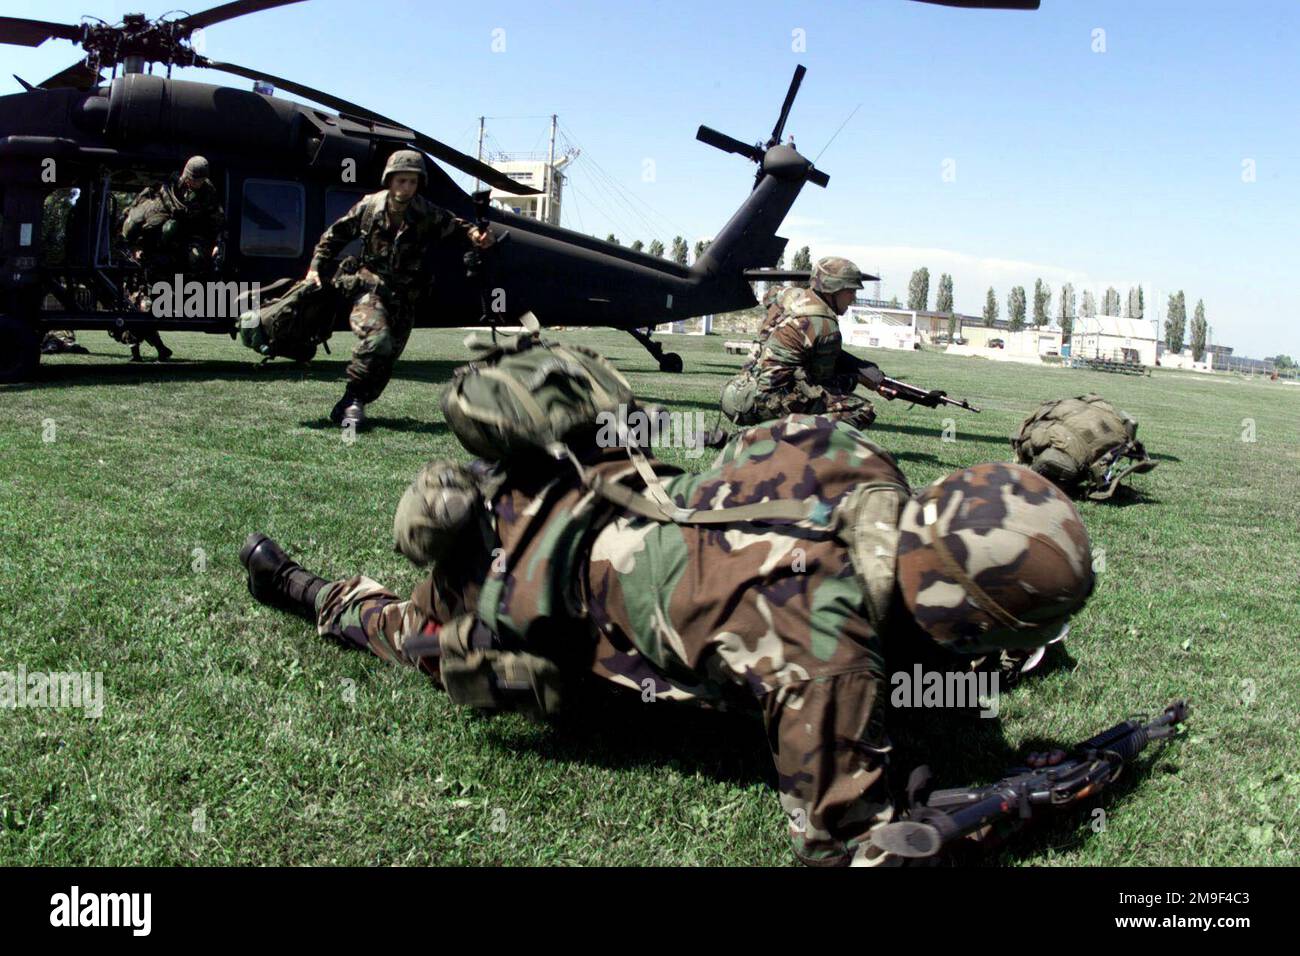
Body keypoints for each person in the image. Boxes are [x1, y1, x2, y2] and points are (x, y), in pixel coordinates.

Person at [240, 414, 1095, 866]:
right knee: (416, 636)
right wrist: (1004, 810)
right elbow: (847, 846)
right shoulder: (826, 658)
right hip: (537, 607)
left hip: (568, 507)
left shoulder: (850, 451)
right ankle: (311, 591)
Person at [305, 149, 495, 430]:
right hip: (370, 288)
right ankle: (355, 398)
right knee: (378, 340)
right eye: (401, 181)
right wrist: (314, 269)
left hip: (405, 297)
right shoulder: (368, 207)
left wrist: (478, 237)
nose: (405, 188)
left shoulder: (426, 213)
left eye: (412, 182)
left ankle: (350, 402)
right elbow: (333, 236)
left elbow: (457, 227)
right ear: (389, 180)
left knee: (386, 358)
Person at [721, 257, 885, 431]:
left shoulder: (790, 295)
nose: (854, 297)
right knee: (862, 409)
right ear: (832, 289)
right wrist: (858, 377)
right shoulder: (825, 325)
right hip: (765, 404)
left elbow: (769, 296)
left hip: (737, 394)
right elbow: (825, 384)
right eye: (850, 291)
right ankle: (782, 440)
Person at [114, 155, 227, 362]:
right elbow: (135, 223)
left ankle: (153, 348)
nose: (195, 183)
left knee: (148, 305)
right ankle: (148, 350)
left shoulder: (208, 194)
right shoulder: (164, 192)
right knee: (142, 308)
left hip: (178, 250)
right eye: (193, 179)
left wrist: (217, 243)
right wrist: (136, 248)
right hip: (152, 258)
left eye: (199, 180)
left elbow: (217, 221)